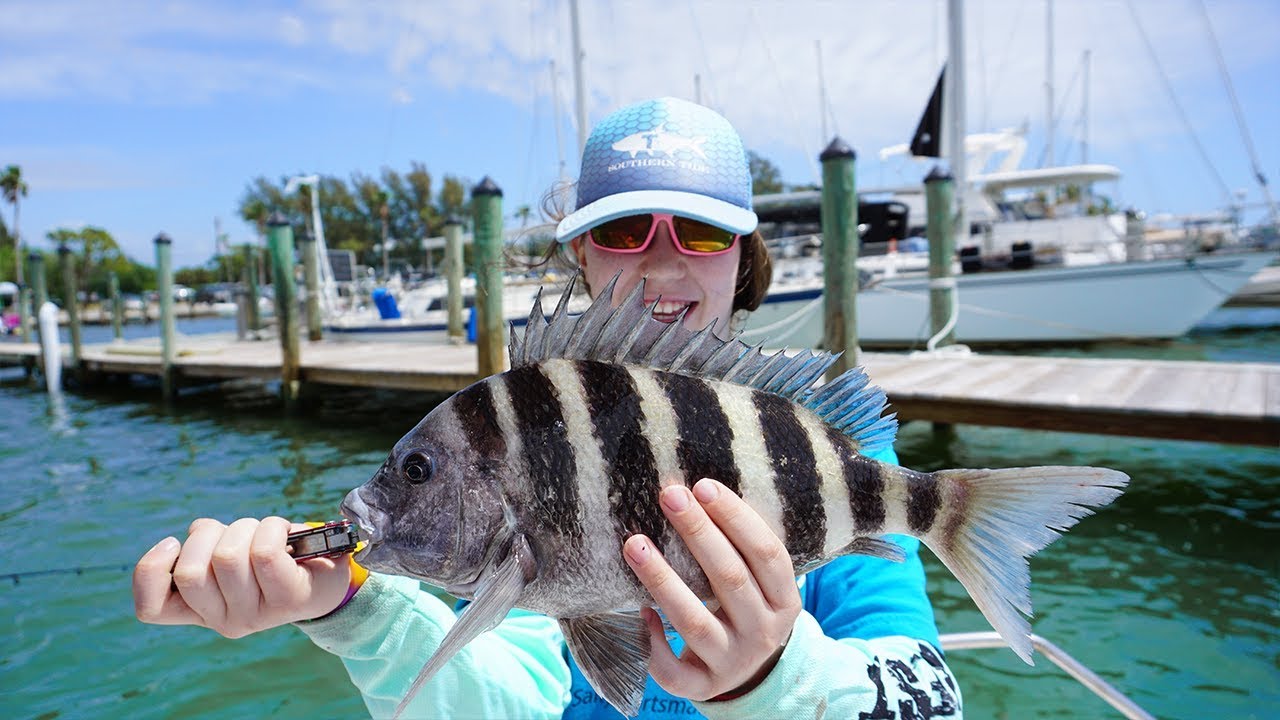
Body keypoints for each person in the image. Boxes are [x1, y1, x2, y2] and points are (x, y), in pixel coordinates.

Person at [133, 97, 961, 719]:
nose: (665, 263)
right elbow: (507, 696)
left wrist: (778, 676)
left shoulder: (836, 470)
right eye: (628, 229)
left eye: (703, 233)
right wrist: (350, 608)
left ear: (743, 250)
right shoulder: (521, 440)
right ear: (581, 250)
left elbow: (934, 699)